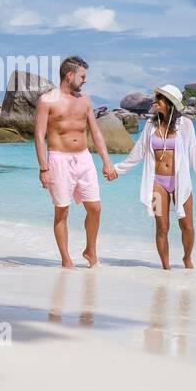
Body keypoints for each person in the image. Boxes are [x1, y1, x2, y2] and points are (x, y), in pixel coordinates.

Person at [113, 84, 196, 269]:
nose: (154, 101)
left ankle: (187, 258)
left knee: (187, 227)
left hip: (181, 182)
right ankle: (166, 268)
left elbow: (194, 151)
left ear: (169, 103)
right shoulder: (151, 125)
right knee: (162, 227)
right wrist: (117, 170)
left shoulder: (186, 125)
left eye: (158, 98)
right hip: (158, 182)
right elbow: (138, 152)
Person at [34, 56, 118, 268]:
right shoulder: (47, 101)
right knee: (62, 210)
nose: (85, 80)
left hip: (84, 158)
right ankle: (66, 260)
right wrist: (43, 168)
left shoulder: (85, 101)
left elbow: (96, 133)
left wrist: (106, 162)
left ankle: (90, 250)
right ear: (69, 75)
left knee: (95, 208)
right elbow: (39, 135)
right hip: (59, 160)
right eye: (82, 76)